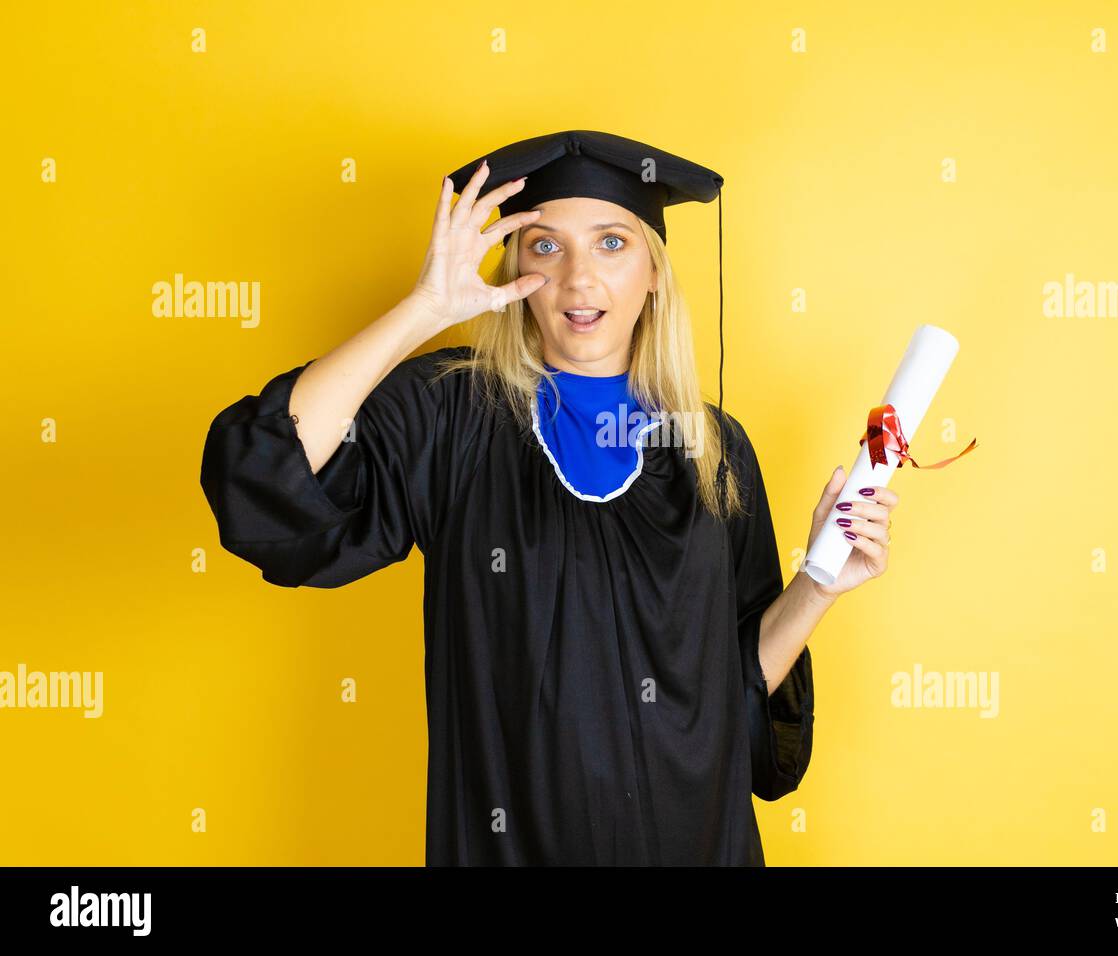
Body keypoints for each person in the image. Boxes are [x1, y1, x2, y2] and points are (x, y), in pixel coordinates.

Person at [199, 130, 900, 865]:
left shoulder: (710, 447)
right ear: (512, 267)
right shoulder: (453, 413)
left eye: (611, 243)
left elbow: (736, 690)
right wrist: (425, 308)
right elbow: (266, 474)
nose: (578, 278)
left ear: (655, 272)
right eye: (543, 245)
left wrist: (821, 582)